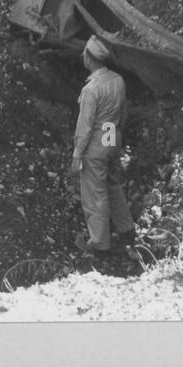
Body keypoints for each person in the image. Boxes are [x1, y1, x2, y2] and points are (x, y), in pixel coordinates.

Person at [70, 36, 134, 253]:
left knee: (94, 194)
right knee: (112, 184)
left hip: (96, 145)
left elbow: (85, 126)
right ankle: (126, 229)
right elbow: (123, 112)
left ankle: (99, 243)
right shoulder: (118, 80)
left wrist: (77, 154)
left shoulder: (92, 89)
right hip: (112, 139)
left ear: (89, 58)